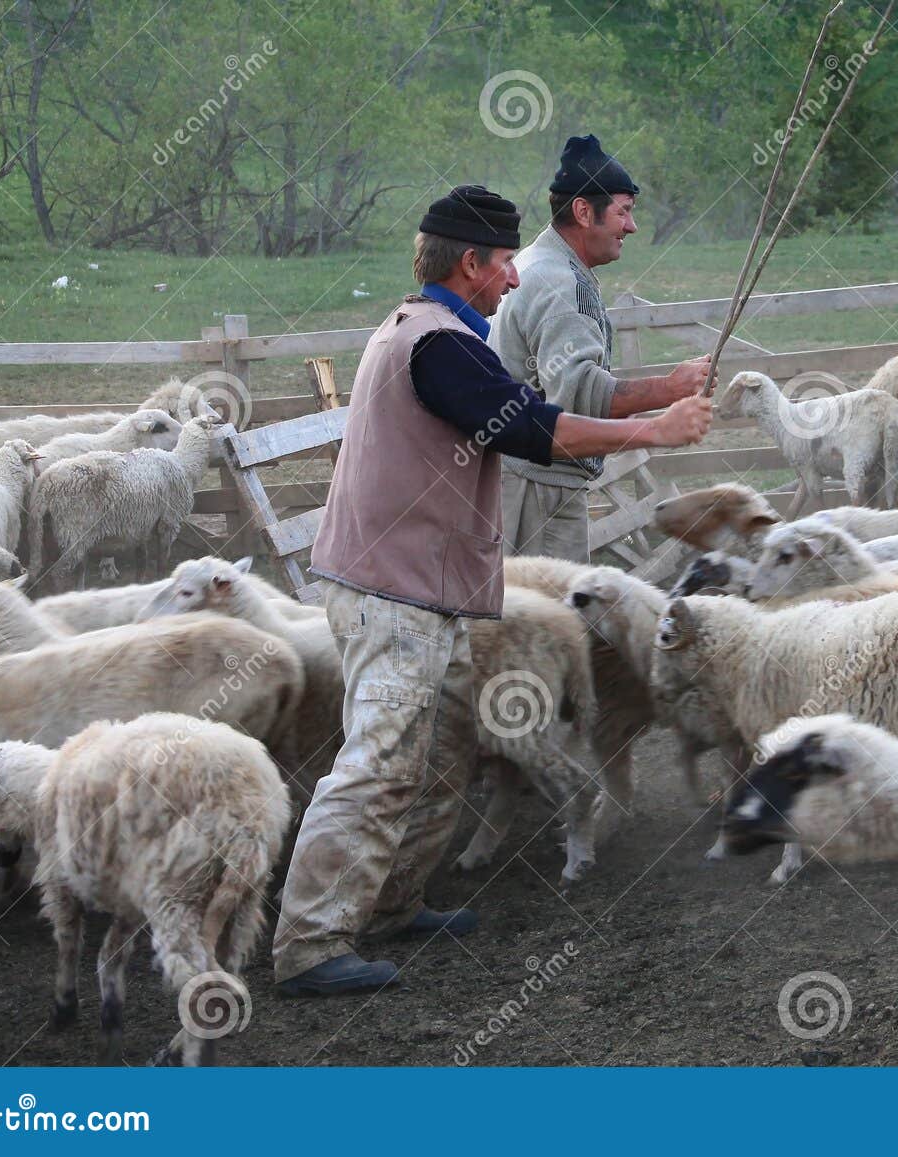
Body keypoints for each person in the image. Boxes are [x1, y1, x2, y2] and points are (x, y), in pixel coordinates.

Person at [272, 184, 713, 996]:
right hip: (391, 589)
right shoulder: (436, 346)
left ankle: (393, 900)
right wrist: (653, 428)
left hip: (415, 586)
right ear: (470, 263)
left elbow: (529, 411)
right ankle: (309, 941)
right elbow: (530, 426)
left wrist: (654, 398)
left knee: (438, 755)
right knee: (376, 762)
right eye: (505, 261)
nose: (514, 278)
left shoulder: (434, 337)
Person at [490, 133, 713, 561]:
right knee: (550, 619)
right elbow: (579, 396)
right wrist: (670, 389)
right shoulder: (561, 283)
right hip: (540, 493)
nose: (631, 226)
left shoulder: (539, 263)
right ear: (582, 210)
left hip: (522, 482)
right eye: (623, 212)